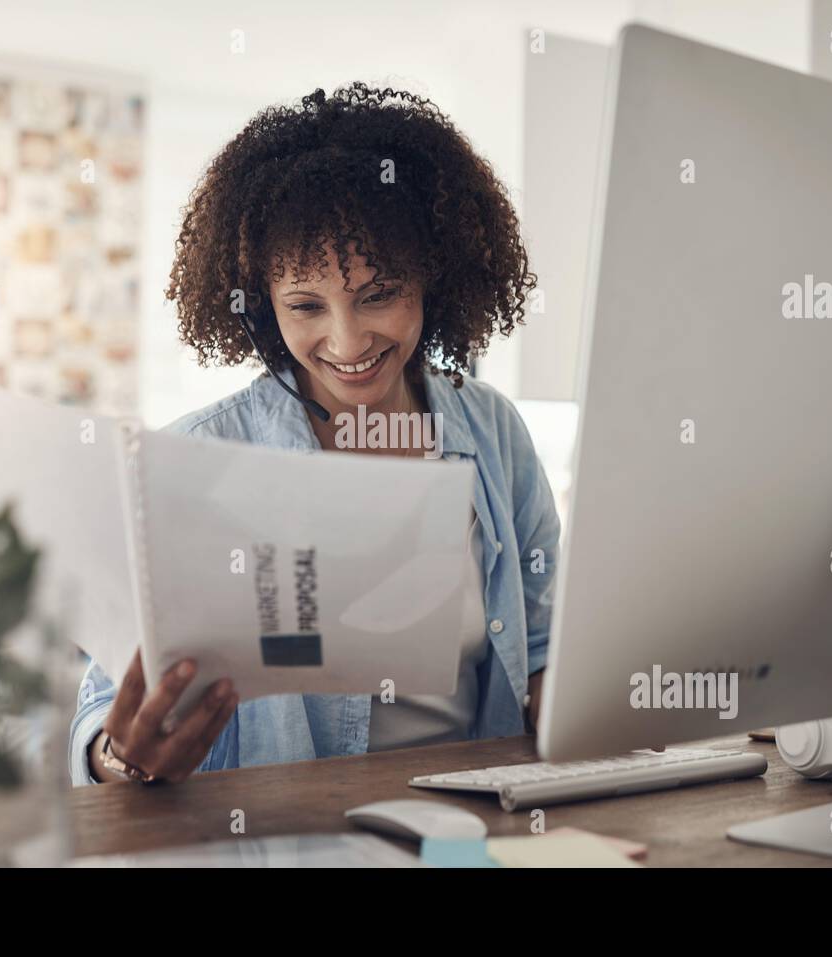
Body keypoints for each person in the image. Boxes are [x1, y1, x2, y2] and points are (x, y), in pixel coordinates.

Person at [70, 83, 559, 785]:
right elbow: (100, 717)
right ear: (265, 305)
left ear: (434, 276)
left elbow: (543, 649)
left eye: (379, 294)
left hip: (471, 830)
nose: (347, 339)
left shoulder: (494, 433)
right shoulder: (200, 459)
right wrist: (120, 756)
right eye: (306, 305)